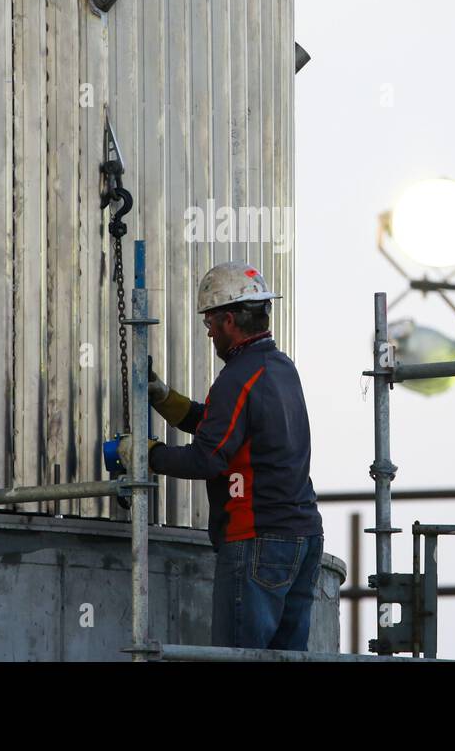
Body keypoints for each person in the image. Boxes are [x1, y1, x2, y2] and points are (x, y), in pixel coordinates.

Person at [120, 261, 323, 651]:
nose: (210, 332)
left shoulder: (238, 377)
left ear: (229, 320)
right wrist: (165, 397)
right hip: (303, 538)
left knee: (237, 657)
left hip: (257, 539)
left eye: (210, 322)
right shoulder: (280, 368)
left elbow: (207, 458)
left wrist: (146, 455)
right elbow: (224, 428)